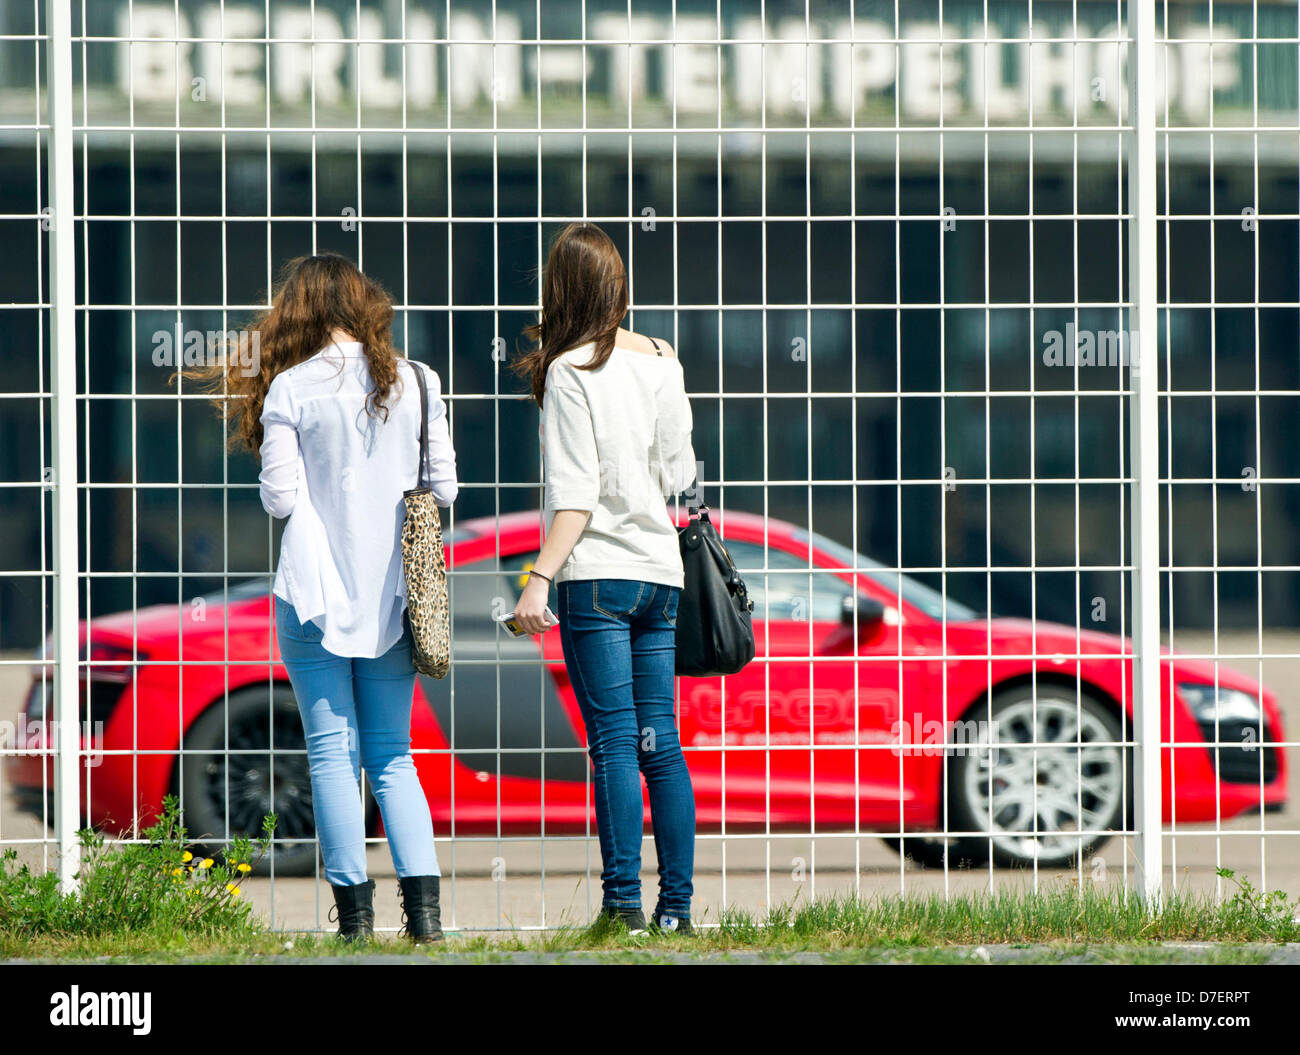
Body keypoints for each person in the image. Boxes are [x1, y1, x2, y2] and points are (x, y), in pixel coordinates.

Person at [189, 252, 458, 943]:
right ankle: (426, 922)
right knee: (393, 756)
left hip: (311, 595)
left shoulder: (289, 389)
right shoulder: (421, 382)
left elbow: (280, 497)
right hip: (396, 599)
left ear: (297, 311)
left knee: (332, 755)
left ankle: (356, 923)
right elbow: (445, 491)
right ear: (363, 305)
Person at [511, 222, 699, 935]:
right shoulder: (661, 358)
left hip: (596, 577)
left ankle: (621, 909)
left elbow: (576, 495)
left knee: (616, 742)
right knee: (662, 741)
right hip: (661, 573)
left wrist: (538, 579)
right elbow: (682, 475)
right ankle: (676, 911)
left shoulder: (568, 370)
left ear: (561, 287)